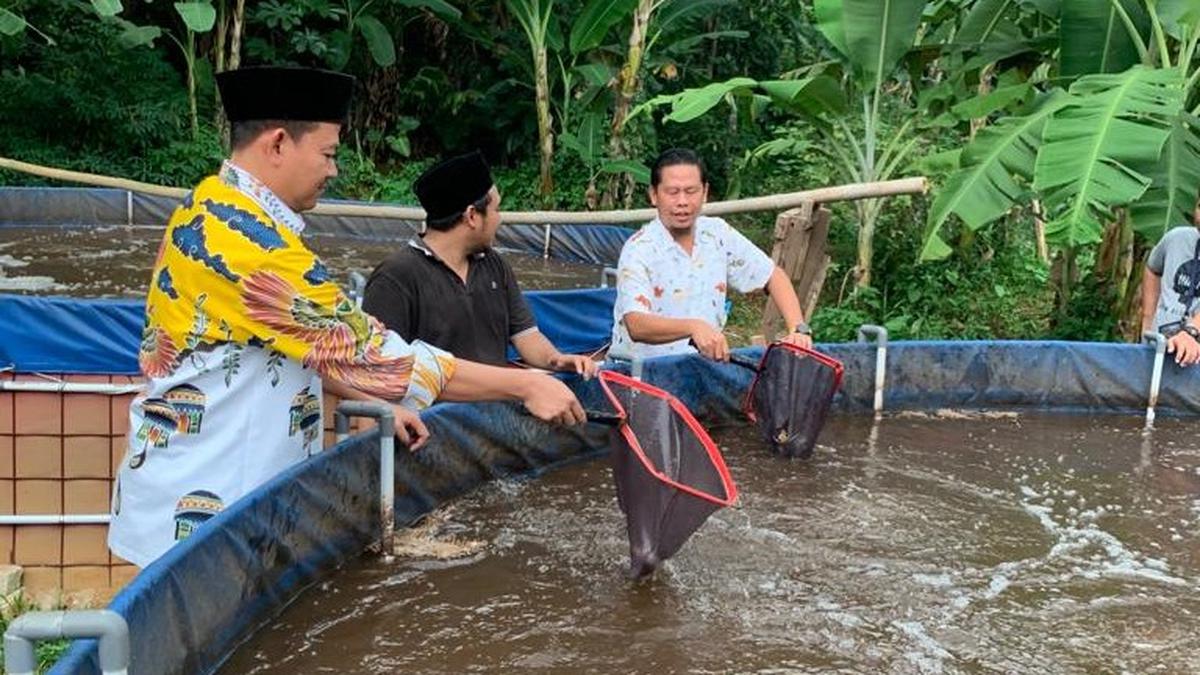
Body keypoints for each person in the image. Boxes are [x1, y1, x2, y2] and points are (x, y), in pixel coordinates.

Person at [109, 67, 584, 568]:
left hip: (222, 493)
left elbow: (296, 347)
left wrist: (368, 396)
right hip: (211, 510)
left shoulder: (209, 204)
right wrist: (526, 385)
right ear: (277, 144)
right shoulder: (250, 244)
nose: (334, 170)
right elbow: (375, 356)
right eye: (329, 153)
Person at [362, 150, 597, 377]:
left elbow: (525, 336)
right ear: (472, 216)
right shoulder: (395, 277)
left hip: (496, 407)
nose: (500, 219)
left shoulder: (495, 265)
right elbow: (383, 370)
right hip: (432, 414)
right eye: (496, 209)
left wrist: (556, 360)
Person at [610, 148, 813, 362]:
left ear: (705, 192)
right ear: (654, 195)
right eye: (672, 192)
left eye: (690, 191)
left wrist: (798, 329)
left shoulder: (717, 234)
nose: (682, 201)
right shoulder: (639, 249)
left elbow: (773, 275)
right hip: (642, 374)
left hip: (705, 368)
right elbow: (636, 324)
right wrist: (694, 327)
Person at [1142, 202, 1200, 366]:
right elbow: (1152, 268)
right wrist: (1148, 318)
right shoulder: (1177, 238)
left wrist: (1190, 332)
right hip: (1158, 349)